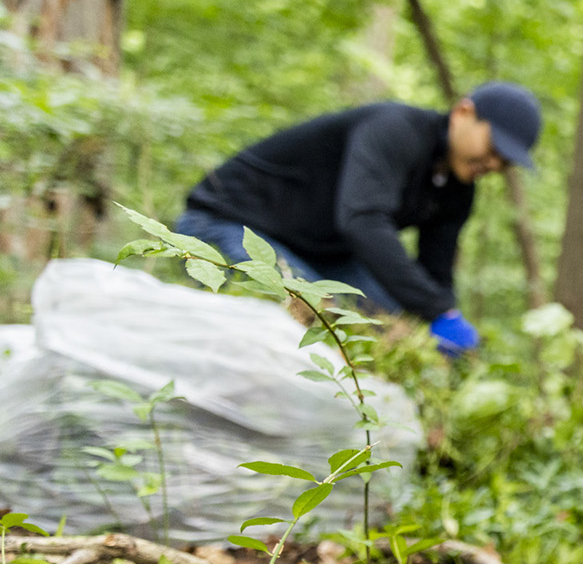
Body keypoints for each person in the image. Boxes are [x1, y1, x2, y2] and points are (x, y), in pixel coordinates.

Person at [173, 82, 542, 358]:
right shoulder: (395, 129)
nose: (493, 164)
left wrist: (443, 317)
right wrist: (433, 309)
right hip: (226, 222)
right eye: (493, 148)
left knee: (400, 326)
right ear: (463, 113)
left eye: (504, 161)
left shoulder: (458, 190)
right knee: (323, 316)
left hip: (321, 252)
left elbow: (435, 274)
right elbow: (363, 221)